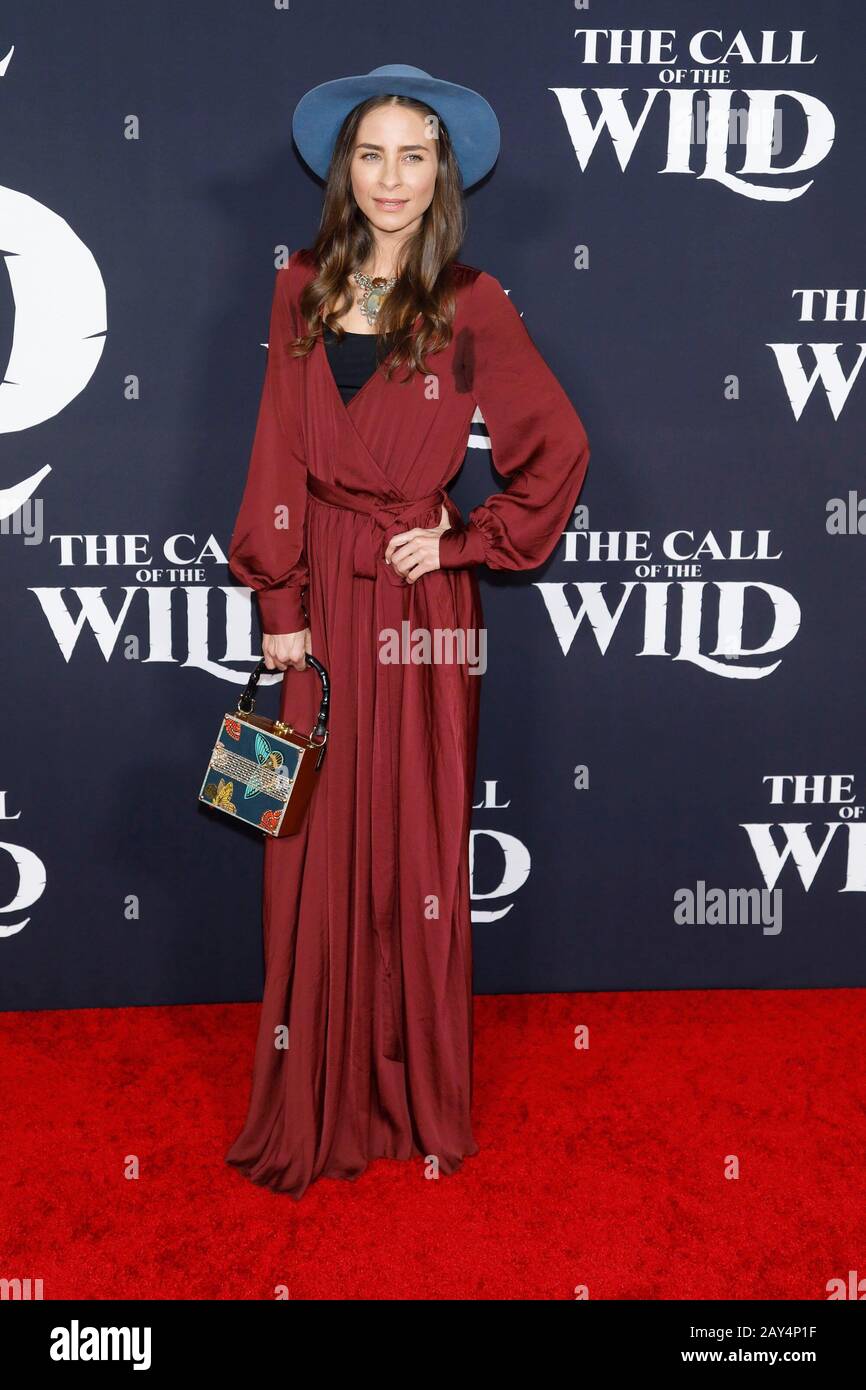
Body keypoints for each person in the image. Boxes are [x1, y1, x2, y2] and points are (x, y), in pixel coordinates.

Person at [225, 64, 591, 1199]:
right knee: (306, 846)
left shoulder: (472, 302)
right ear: (345, 167)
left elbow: (555, 448)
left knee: (418, 848)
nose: (389, 177)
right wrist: (277, 605)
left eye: (412, 155)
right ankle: (315, 1096)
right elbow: (275, 452)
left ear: (444, 174)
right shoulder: (296, 286)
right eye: (371, 154)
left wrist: (466, 542)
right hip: (322, 600)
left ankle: (407, 1091)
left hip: (419, 612)